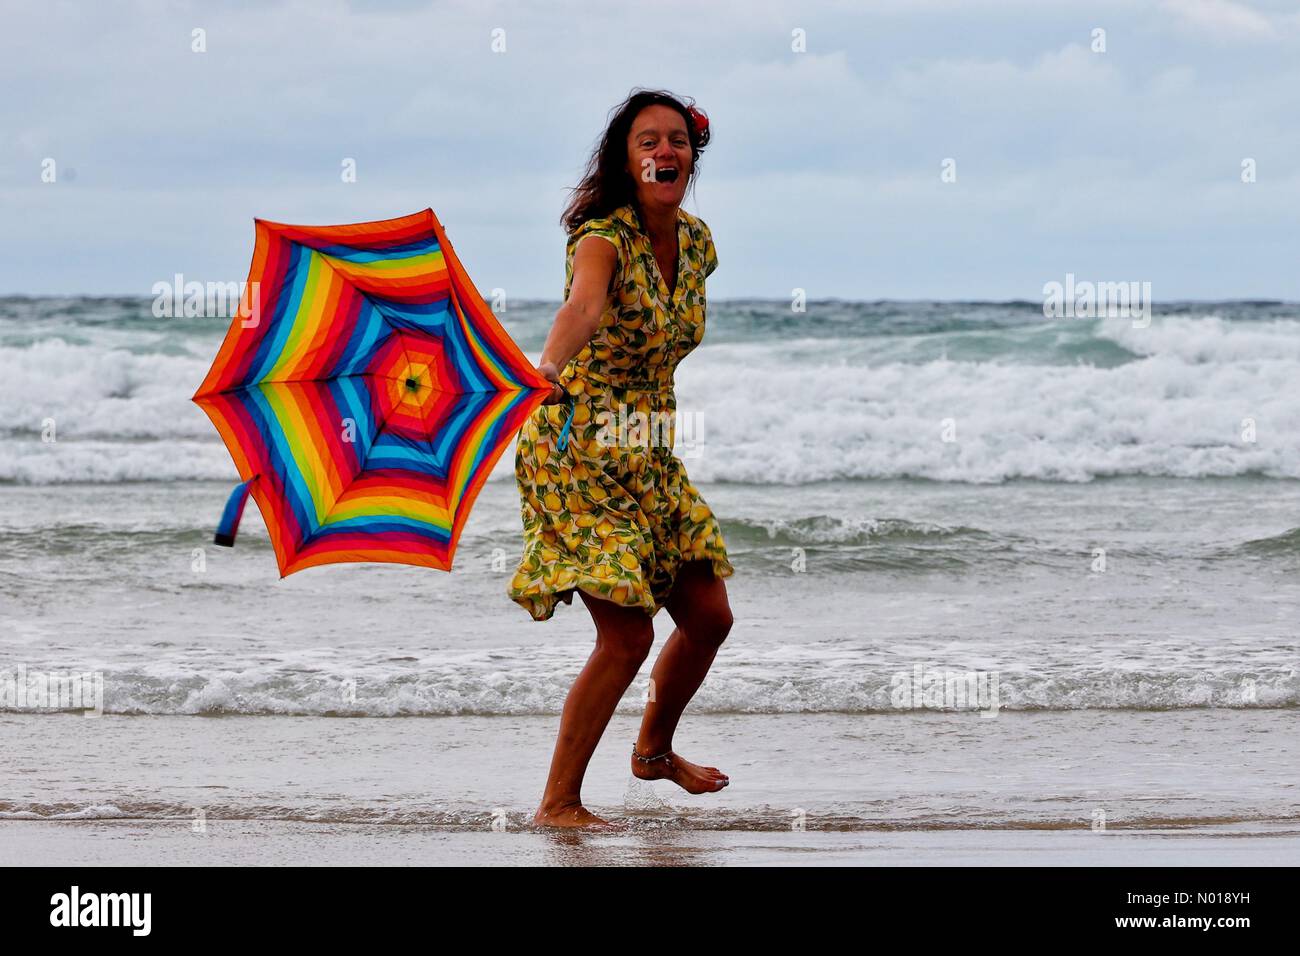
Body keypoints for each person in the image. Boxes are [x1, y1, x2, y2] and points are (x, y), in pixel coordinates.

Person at [509, 89, 736, 829]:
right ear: (626, 158)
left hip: (645, 450)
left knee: (707, 616)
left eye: (677, 140)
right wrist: (547, 365)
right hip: (575, 446)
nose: (664, 151)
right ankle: (557, 803)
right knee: (629, 632)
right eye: (648, 140)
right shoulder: (602, 238)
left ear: (691, 157)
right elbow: (582, 307)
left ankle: (653, 752)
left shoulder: (697, 245)